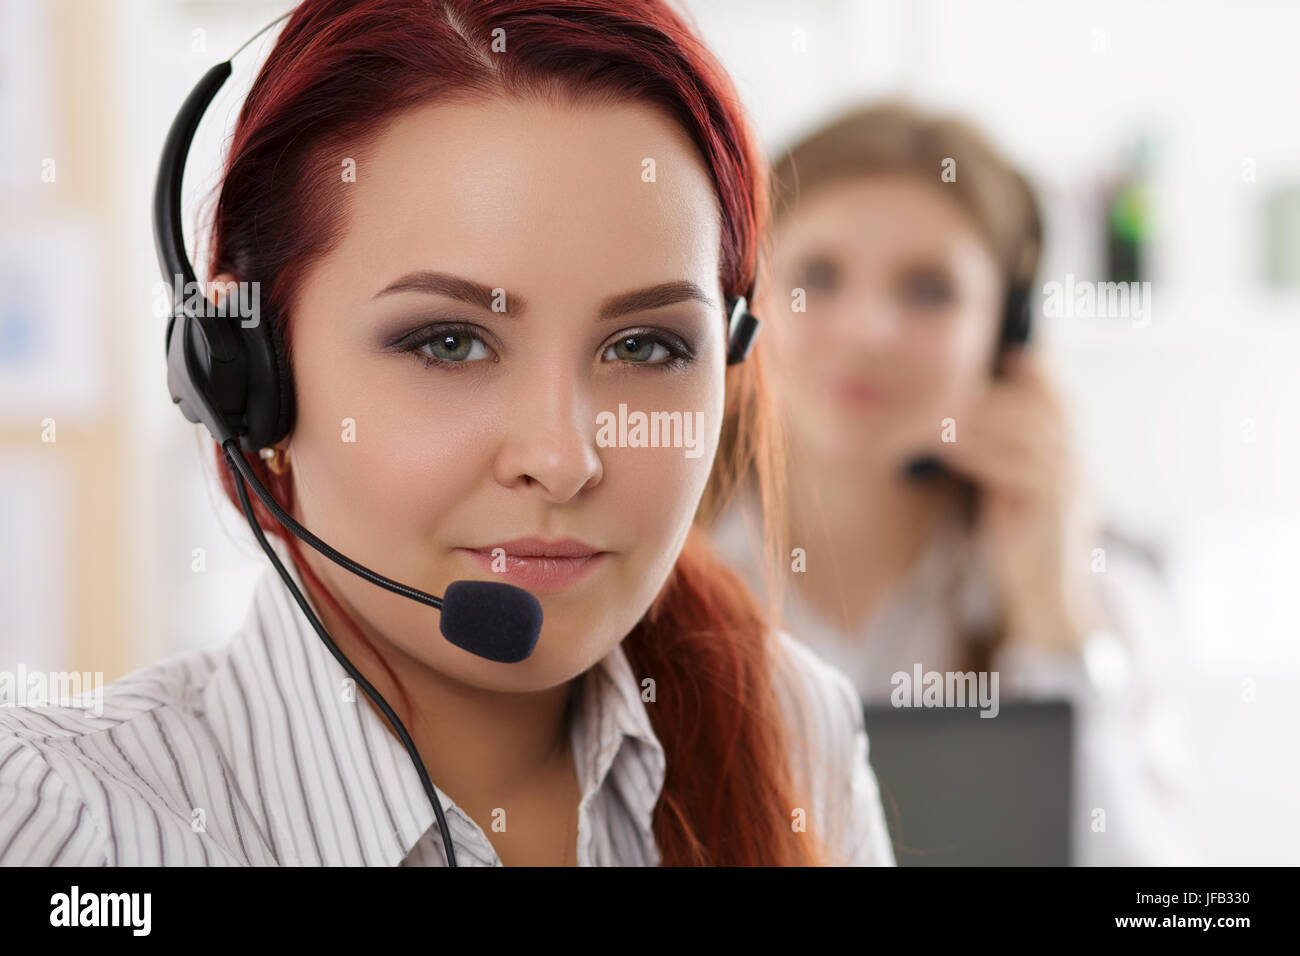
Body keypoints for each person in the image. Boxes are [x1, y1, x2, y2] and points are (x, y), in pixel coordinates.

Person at [0, 0, 893, 867]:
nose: (562, 458)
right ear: (244, 375)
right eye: (450, 343)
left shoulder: (790, 726)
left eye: (644, 345)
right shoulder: (64, 823)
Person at [705, 100, 1200, 866]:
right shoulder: (662, 568)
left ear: (1005, 336)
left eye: (929, 290)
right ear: (750, 302)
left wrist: (1050, 614)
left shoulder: (1109, 602)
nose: (868, 329)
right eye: (819, 276)